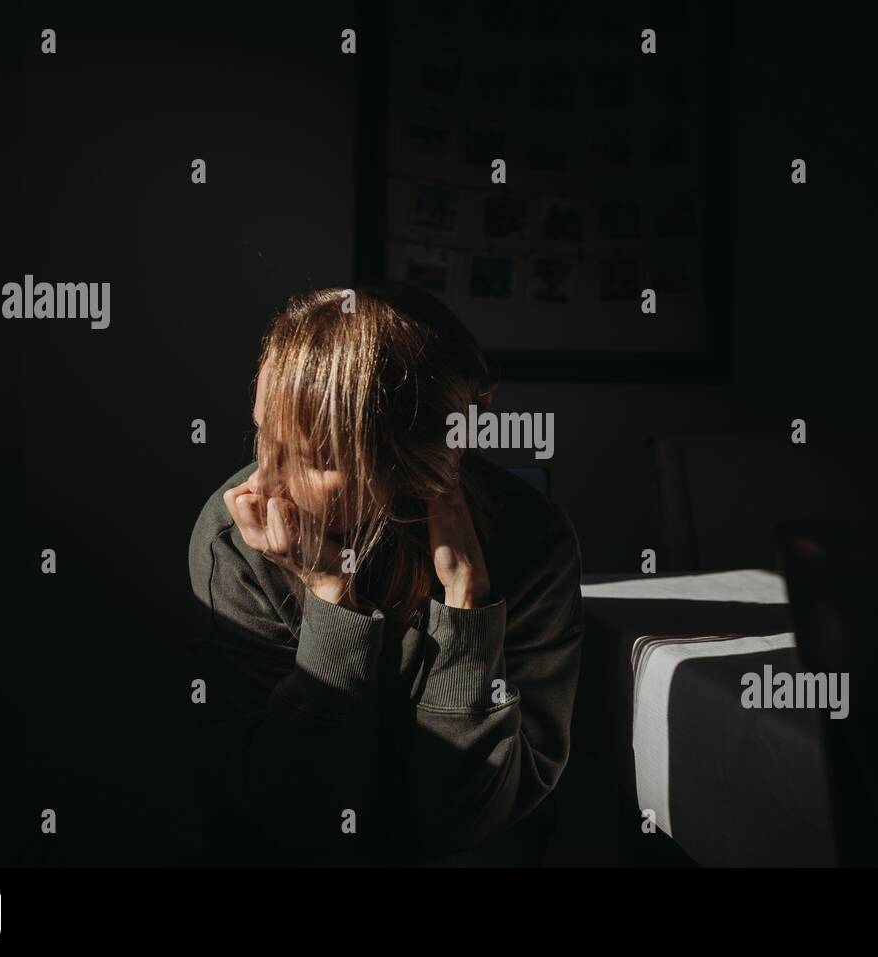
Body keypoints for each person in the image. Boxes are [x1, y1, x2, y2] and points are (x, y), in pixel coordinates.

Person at [186, 281, 584, 865]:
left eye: (317, 457)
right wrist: (333, 603)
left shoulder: (532, 544)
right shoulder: (238, 542)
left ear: (415, 467)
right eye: (265, 437)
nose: (264, 487)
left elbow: (473, 815)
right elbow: (286, 812)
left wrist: (467, 611)